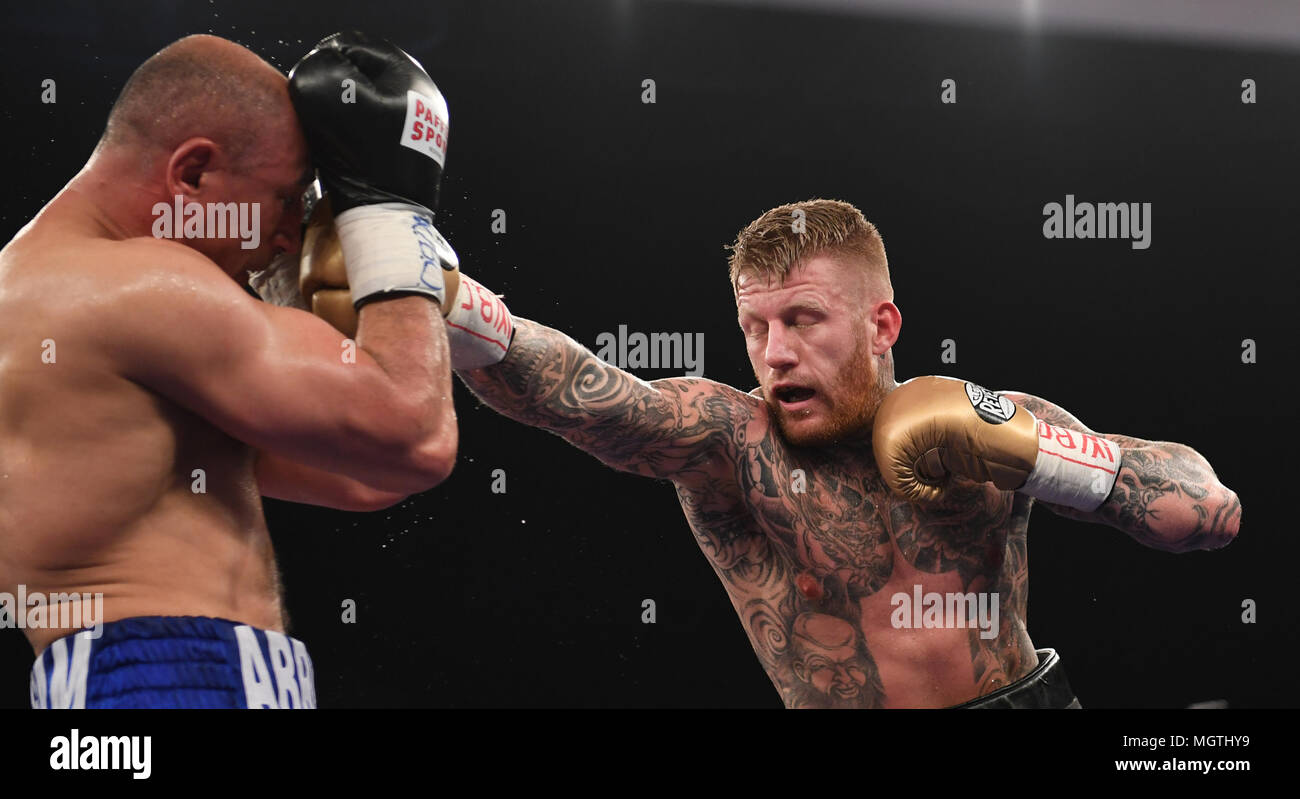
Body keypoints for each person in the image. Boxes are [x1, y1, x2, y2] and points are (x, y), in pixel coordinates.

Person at [304, 192, 1242, 707]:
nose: (775, 351)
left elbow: (1207, 512)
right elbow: (585, 396)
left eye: (803, 318)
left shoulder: (991, 423)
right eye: (755, 327)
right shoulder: (730, 441)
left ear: (882, 323)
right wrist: (440, 297)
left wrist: (1040, 454)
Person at [1, 33, 459, 708]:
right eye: (285, 199)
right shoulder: (144, 288)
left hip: (111, 689)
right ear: (193, 175)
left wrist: (296, 298)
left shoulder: (49, 290)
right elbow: (414, 435)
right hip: (182, 678)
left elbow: (366, 470)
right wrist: (391, 224)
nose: (286, 238)